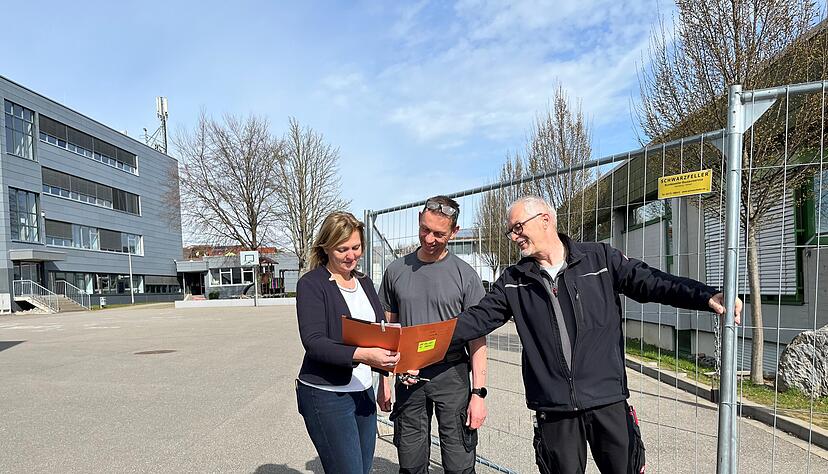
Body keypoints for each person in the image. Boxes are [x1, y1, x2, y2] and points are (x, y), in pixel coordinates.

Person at [449, 196, 743, 474]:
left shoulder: (600, 259)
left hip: (607, 400)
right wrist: (416, 342)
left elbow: (653, 282)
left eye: (517, 228)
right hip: (554, 408)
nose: (514, 237)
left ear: (545, 220)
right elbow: (475, 320)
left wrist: (705, 296)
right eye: (510, 231)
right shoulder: (513, 281)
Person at [378, 195, 488, 474]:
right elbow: (388, 331)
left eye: (439, 234)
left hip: (452, 375)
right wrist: (384, 381)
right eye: (425, 229)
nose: (429, 239)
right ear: (418, 219)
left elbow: (478, 340)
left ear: (454, 232)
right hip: (408, 377)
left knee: (459, 463)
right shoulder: (396, 271)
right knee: (411, 463)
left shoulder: (465, 275)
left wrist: (479, 394)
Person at [295, 211, 400, 474]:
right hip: (326, 394)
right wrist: (364, 355)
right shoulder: (311, 284)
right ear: (327, 247)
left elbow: (380, 334)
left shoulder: (364, 282)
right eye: (343, 249)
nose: (351, 255)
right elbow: (314, 343)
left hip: (363, 391)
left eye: (356, 247)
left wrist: (384, 381)